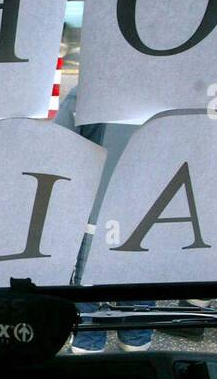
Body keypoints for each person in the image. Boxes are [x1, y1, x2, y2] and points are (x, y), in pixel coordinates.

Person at [52, 86, 154, 353]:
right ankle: (137, 356)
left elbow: (60, 148)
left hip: (96, 214)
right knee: (141, 294)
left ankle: (88, 358)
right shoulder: (174, 93)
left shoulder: (92, 88)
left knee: (89, 297)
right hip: (152, 219)